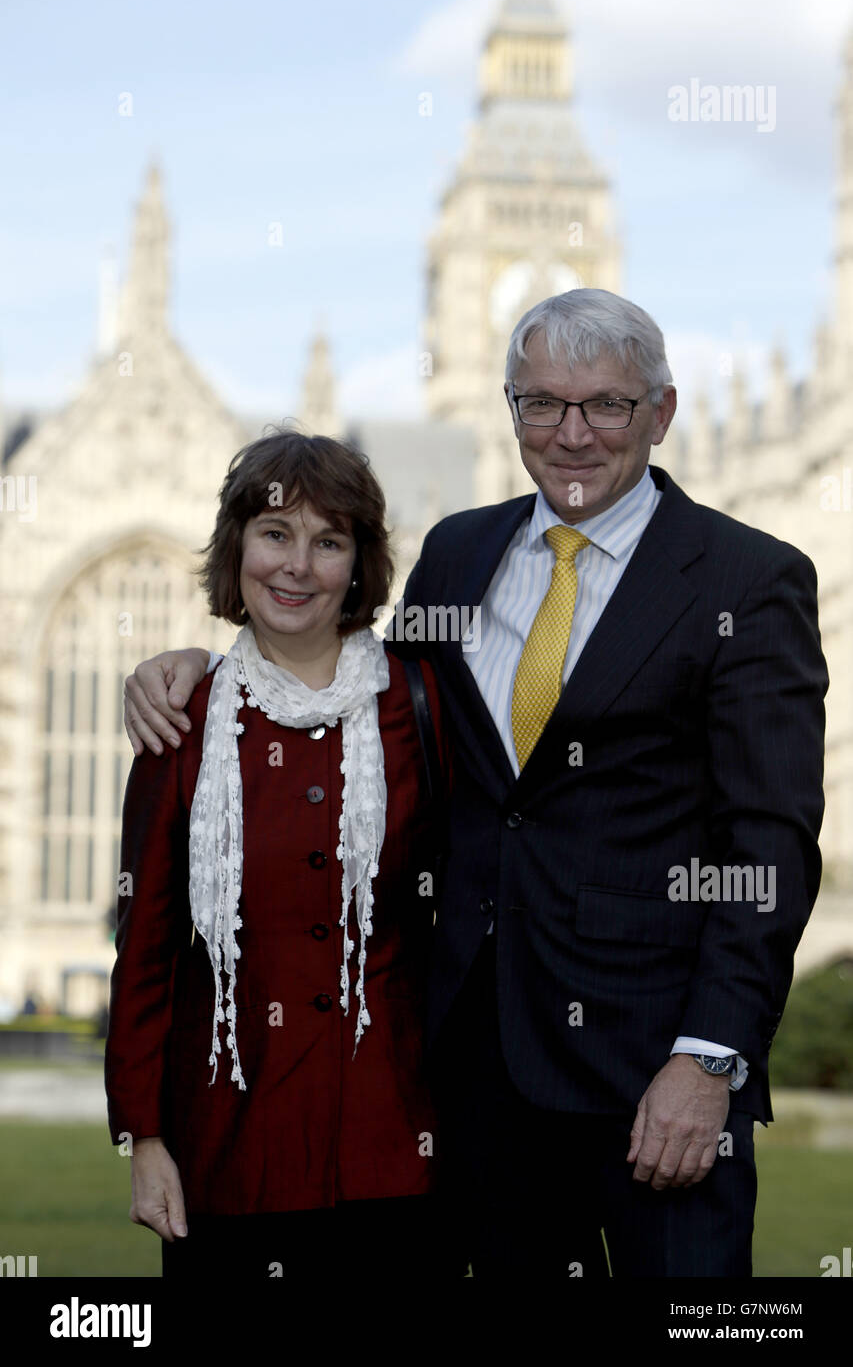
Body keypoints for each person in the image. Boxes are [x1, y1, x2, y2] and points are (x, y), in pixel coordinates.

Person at [124, 288, 828, 1279]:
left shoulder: (746, 580)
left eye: (604, 406)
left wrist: (707, 1056)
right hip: (475, 1076)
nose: (570, 433)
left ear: (659, 413)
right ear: (511, 411)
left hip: (654, 1077)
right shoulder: (458, 554)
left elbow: (769, 846)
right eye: (540, 403)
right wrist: (198, 666)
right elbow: (341, 682)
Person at [107, 429, 456, 1280]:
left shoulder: (425, 703)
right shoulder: (180, 724)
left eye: (327, 541)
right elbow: (146, 951)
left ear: (359, 565)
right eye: (274, 534)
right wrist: (145, 1141)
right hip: (229, 1154)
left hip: (398, 1156)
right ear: (237, 551)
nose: (297, 565)